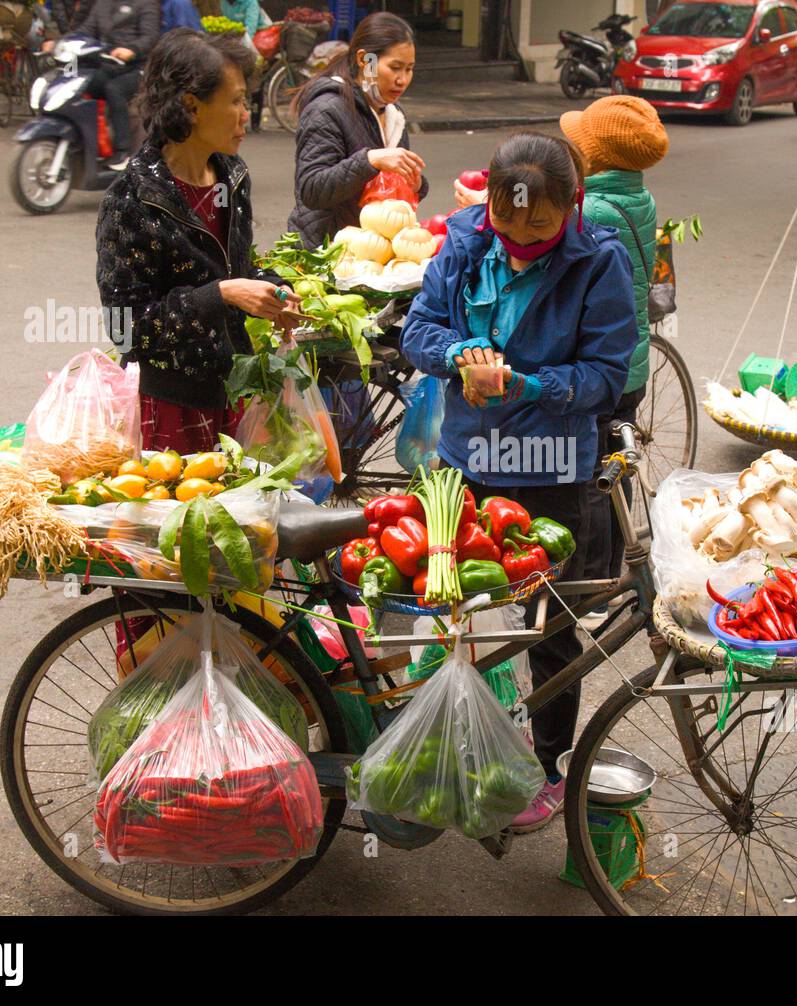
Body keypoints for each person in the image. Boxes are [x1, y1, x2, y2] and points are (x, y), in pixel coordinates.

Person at [401, 132, 638, 833]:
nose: (520, 239)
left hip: (550, 471)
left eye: (540, 225)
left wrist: (529, 383)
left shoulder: (599, 261)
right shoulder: (467, 240)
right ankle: (454, 740)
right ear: (490, 208)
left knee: (551, 626)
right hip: (465, 463)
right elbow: (417, 329)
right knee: (452, 610)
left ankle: (549, 762)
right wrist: (459, 352)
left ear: (573, 205)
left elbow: (607, 376)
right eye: (508, 222)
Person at [96, 27, 299, 456]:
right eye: (236, 100)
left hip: (235, 392)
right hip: (171, 409)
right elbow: (126, 329)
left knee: (248, 522)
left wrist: (273, 288)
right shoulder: (132, 199)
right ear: (191, 107)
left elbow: (234, 270)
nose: (247, 113)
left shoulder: (231, 175)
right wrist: (222, 294)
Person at [558, 96, 669, 627]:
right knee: (615, 469)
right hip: (635, 365)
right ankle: (615, 574)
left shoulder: (594, 210)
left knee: (591, 480)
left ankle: (596, 593)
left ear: (595, 157)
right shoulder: (635, 197)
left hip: (607, 369)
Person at [287, 12, 427, 248]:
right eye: (395, 68)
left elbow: (392, 183)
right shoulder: (326, 109)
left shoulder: (392, 113)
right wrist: (370, 160)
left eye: (409, 69)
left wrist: (417, 185)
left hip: (373, 254)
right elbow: (311, 188)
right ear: (366, 60)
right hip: (327, 252)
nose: (402, 80)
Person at [79, 0, 161, 169]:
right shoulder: (103, 4)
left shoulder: (147, 4)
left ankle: (122, 151)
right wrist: (62, 42)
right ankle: (88, 143)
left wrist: (132, 50)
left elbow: (149, 37)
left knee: (114, 89)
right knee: (82, 85)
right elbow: (86, 30)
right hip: (109, 64)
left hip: (139, 67)